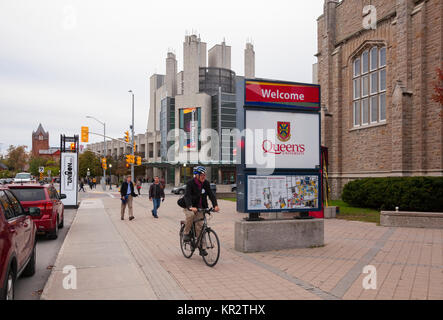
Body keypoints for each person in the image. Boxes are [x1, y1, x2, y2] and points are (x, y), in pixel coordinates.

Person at [182, 166, 219, 256]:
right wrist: (190, 206)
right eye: (201, 175)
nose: (203, 177)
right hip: (189, 206)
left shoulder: (206, 183)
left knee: (200, 227)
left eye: (204, 175)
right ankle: (186, 233)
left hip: (200, 208)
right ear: (196, 175)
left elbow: (211, 194)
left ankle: (202, 248)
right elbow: (187, 196)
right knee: (190, 215)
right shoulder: (190, 183)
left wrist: (215, 205)